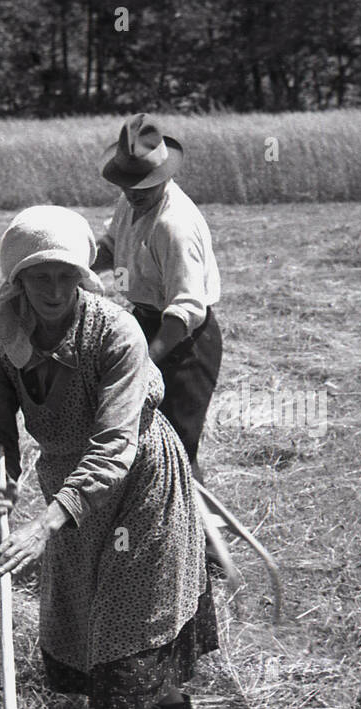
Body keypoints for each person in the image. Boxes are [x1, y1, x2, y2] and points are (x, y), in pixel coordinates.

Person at [0, 205, 218, 709]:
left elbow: (115, 444)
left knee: (132, 613)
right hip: (67, 484)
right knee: (91, 607)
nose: (53, 290)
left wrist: (47, 522)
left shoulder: (116, 332)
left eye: (65, 276)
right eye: (38, 276)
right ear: (15, 280)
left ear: (83, 276)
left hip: (138, 479)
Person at [92, 113, 222, 483]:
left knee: (179, 448)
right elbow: (111, 247)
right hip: (144, 322)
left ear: (165, 174)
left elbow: (184, 310)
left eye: (143, 185)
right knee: (143, 440)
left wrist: (145, 363)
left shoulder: (175, 225)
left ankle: (203, 536)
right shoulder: (131, 202)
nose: (134, 192)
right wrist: (74, 270)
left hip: (184, 343)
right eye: (128, 184)